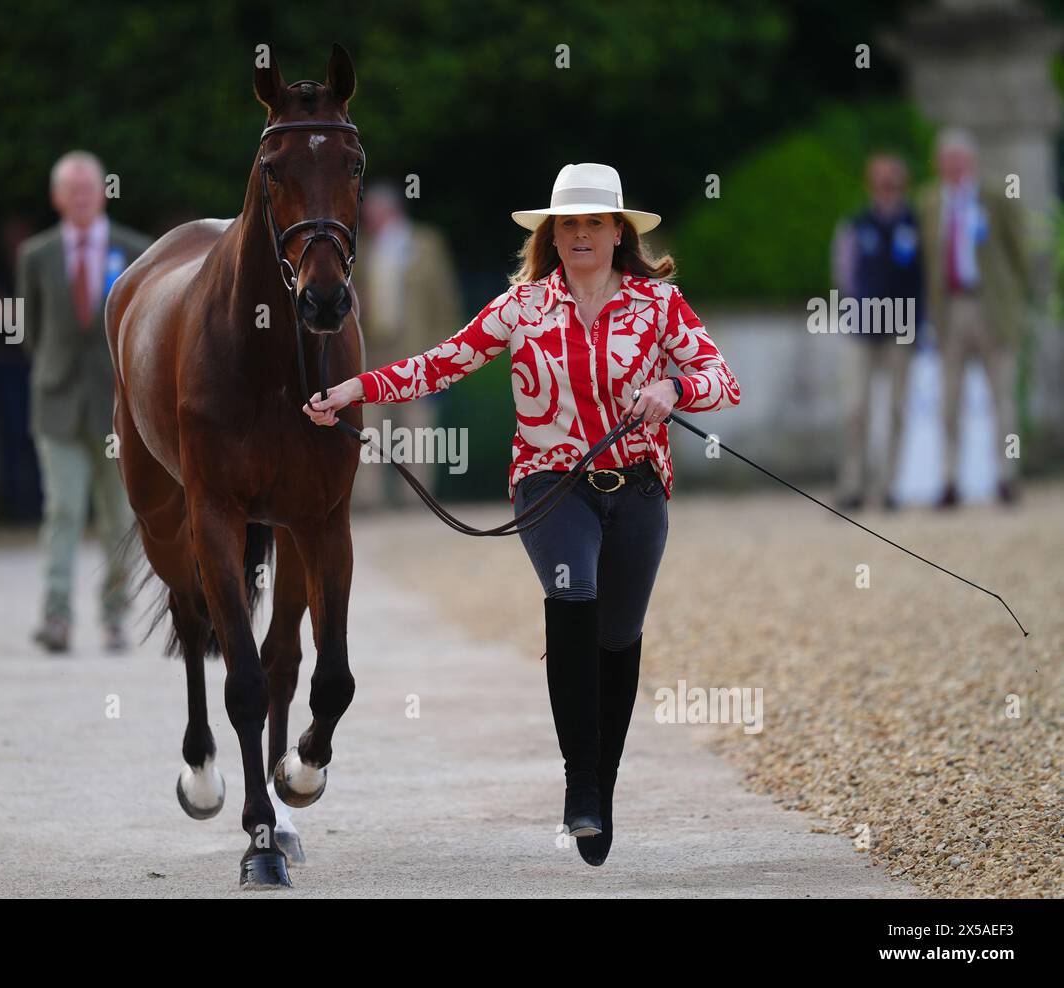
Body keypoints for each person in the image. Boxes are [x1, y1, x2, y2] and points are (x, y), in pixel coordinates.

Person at [301, 163, 740, 866]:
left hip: (638, 490)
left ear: (619, 232)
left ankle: (605, 782)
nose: (582, 235)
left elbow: (724, 379)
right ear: (553, 235)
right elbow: (439, 364)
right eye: (569, 224)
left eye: (595, 223)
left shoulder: (660, 305)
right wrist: (353, 387)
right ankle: (581, 792)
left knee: (619, 636)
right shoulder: (523, 307)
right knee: (572, 598)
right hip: (549, 486)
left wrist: (673, 385)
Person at [17, 151, 152, 653]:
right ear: (57, 198)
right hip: (55, 404)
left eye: (88, 189)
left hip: (118, 408)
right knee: (63, 510)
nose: (81, 198)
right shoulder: (36, 255)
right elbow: (32, 330)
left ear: (102, 193)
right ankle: (57, 618)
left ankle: (115, 615)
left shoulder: (136, 250)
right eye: (71, 190)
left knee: (119, 517)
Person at [917, 128, 1029, 507]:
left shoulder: (996, 199)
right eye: (948, 160)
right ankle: (949, 478)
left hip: (990, 307)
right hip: (950, 309)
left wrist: (1015, 301)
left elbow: (1020, 254)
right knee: (949, 401)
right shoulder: (930, 203)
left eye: (960, 159)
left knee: (1002, 398)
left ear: (973, 161)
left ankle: (1005, 476)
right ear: (939, 164)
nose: (954, 167)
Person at [350, 180, 464, 508]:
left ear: (391, 210)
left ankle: (415, 498)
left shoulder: (426, 244)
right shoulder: (364, 247)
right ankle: (368, 500)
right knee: (370, 426)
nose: (368, 216)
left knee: (416, 427)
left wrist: (446, 352)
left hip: (418, 348)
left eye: (373, 210)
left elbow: (445, 301)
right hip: (373, 348)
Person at [830, 154, 924, 511]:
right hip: (863, 328)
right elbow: (844, 273)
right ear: (871, 183)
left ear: (902, 183)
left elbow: (924, 277)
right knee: (856, 409)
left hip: (902, 328)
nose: (886, 185)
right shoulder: (856, 224)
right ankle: (852, 485)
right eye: (880, 178)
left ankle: (890, 487)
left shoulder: (915, 223)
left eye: (893, 179)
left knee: (898, 409)